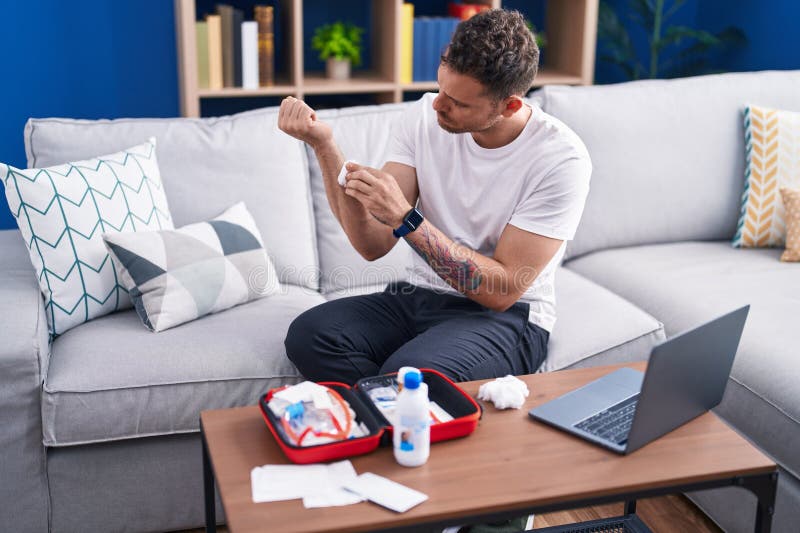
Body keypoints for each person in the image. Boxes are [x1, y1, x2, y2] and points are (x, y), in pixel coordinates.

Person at [279, 9, 591, 389]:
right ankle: (390, 408)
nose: (438, 105)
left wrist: (407, 219)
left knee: (410, 373)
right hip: (419, 297)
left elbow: (503, 291)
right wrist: (324, 147)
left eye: (459, 103)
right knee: (311, 334)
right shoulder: (424, 117)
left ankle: (390, 404)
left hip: (509, 318)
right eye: (441, 89)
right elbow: (371, 244)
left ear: (509, 105)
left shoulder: (560, 159)